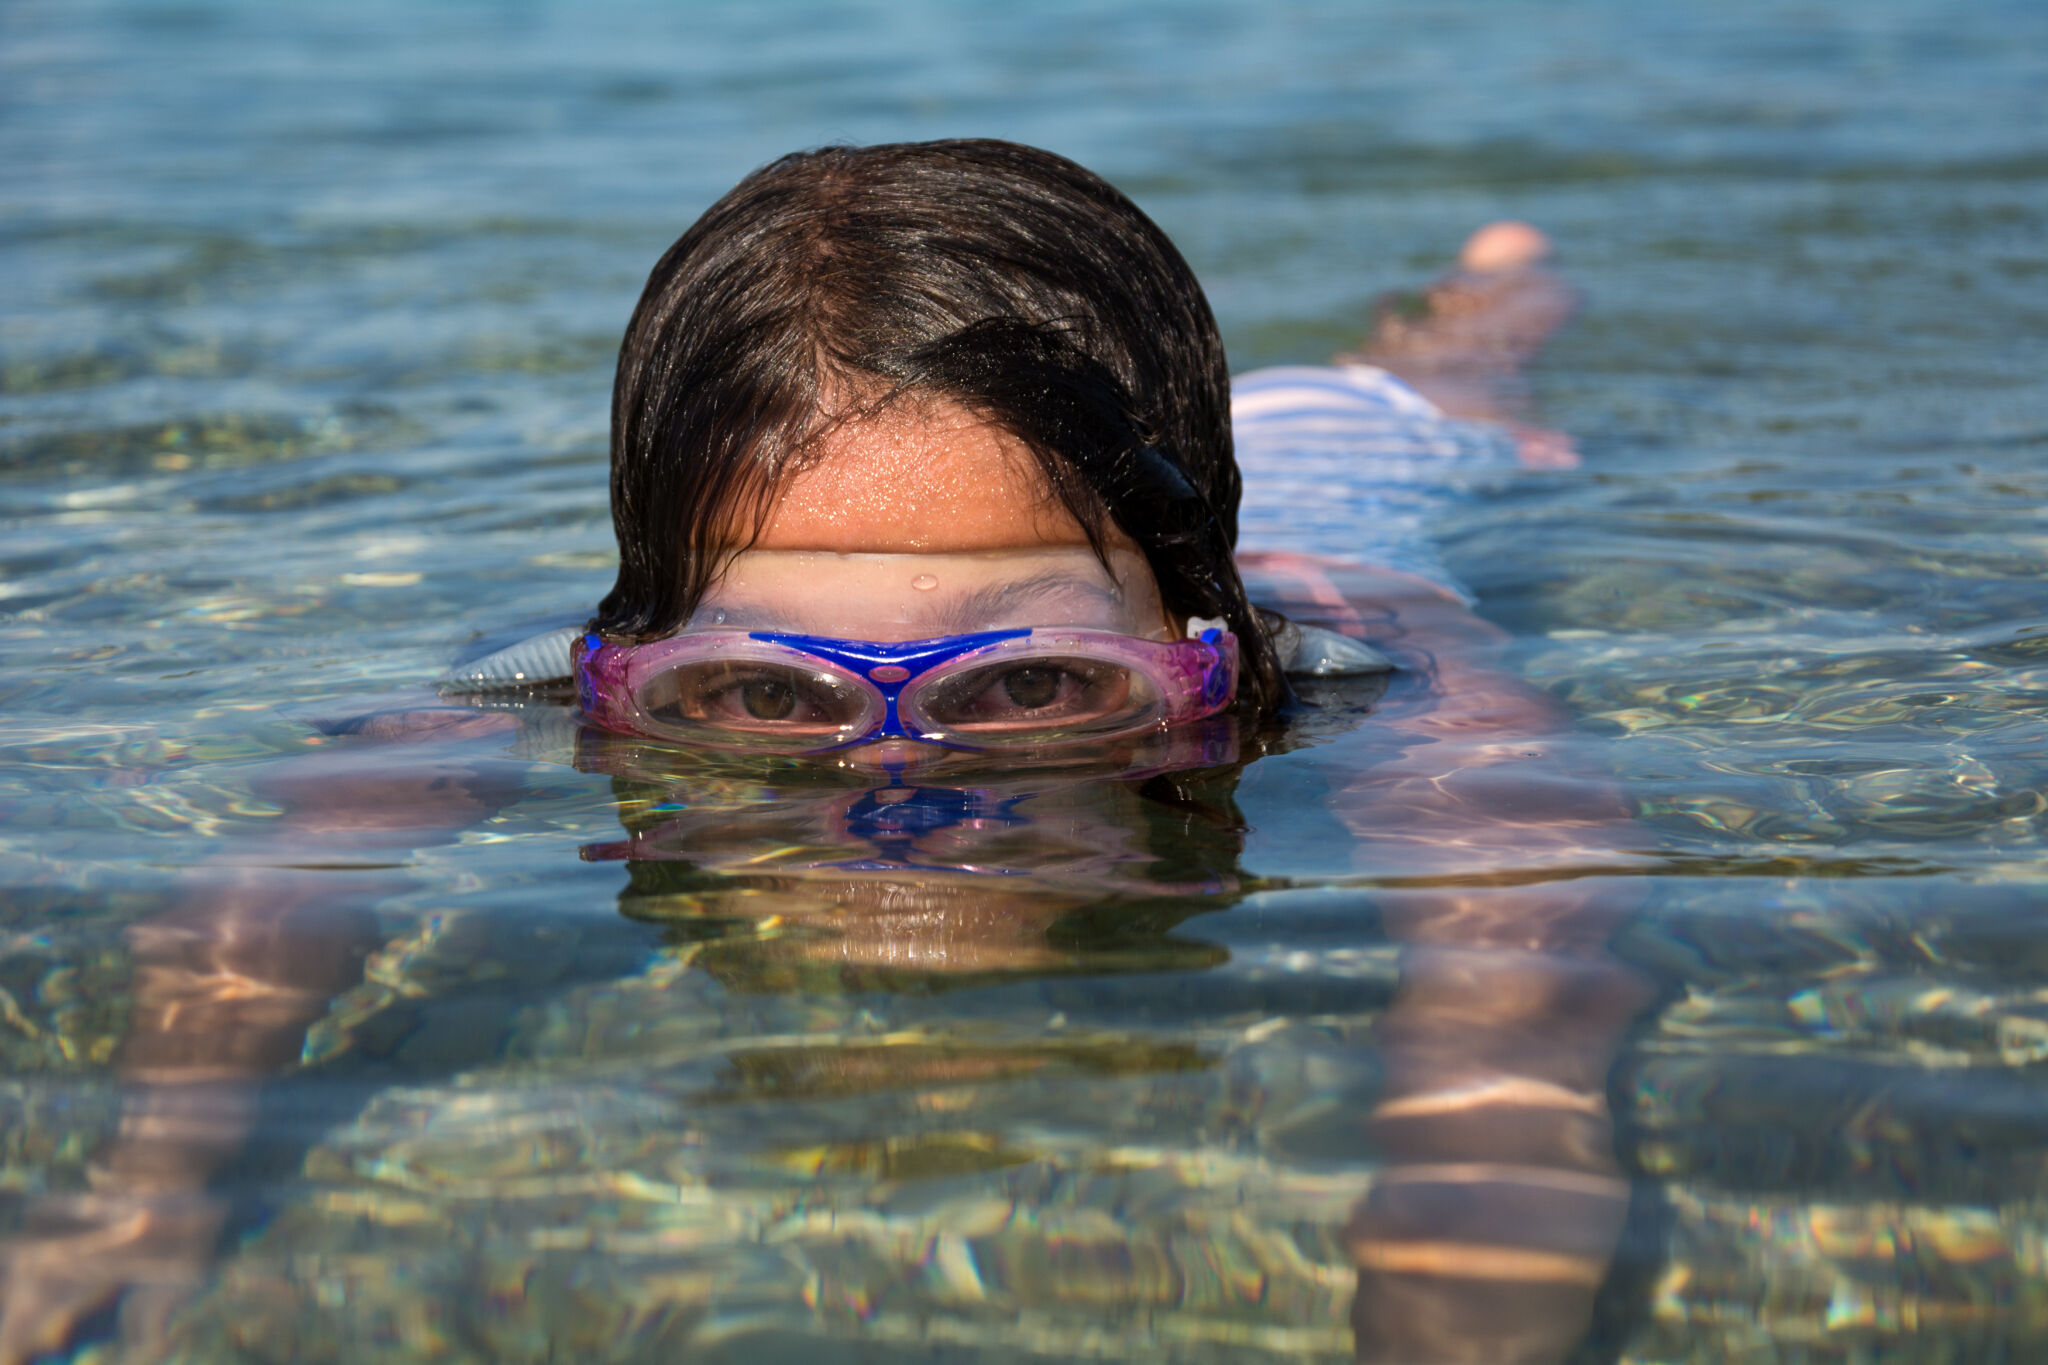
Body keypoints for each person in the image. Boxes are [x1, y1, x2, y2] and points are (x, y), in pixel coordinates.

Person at [0, 139, 1646, 1365]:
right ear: (643, 651)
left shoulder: (1368, 646)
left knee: (1451, 374)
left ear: (1201, 652)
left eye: (1037, 683)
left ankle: (1491, 306)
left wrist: (1469, 1228)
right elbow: (302, 849)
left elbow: (1526, 926)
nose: (901, 788)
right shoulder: (589, 665)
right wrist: (151, 1180)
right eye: (772, 690)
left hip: (1356, 461)